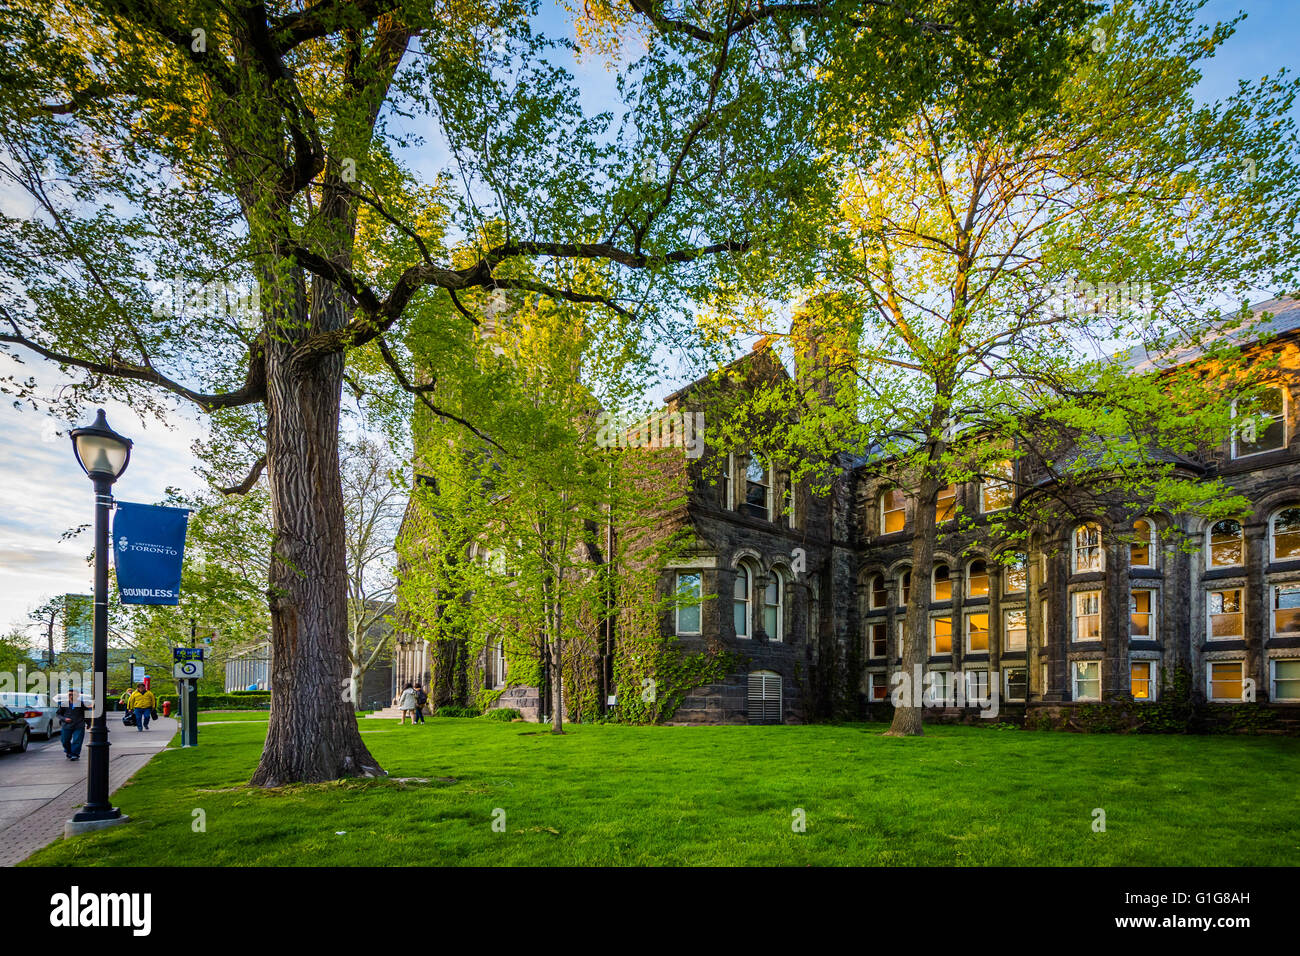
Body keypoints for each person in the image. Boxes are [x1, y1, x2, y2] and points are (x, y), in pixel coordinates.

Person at [57, 689, 87, 760]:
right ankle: (68, 751)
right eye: (69, 695)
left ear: (77, 695)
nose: (71, 696)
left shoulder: (81, 704)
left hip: (79, 725)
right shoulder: (64, 704)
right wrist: (64, 719)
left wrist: (88, 723)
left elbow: (86, 714)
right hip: (66, 725)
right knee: (64, 741)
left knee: (77, 740)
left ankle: (75, 754)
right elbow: (58, 714)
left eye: (73, 695)